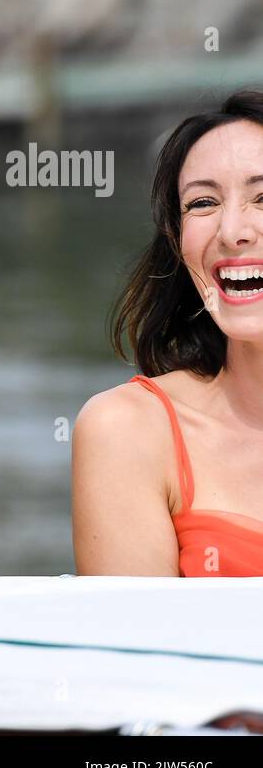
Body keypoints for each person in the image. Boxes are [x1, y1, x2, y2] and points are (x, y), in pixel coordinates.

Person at [72, 90, 263, 577]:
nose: (232, 230)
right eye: (203, 203)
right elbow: (131, 649)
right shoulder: (129, 431)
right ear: (178, 245)